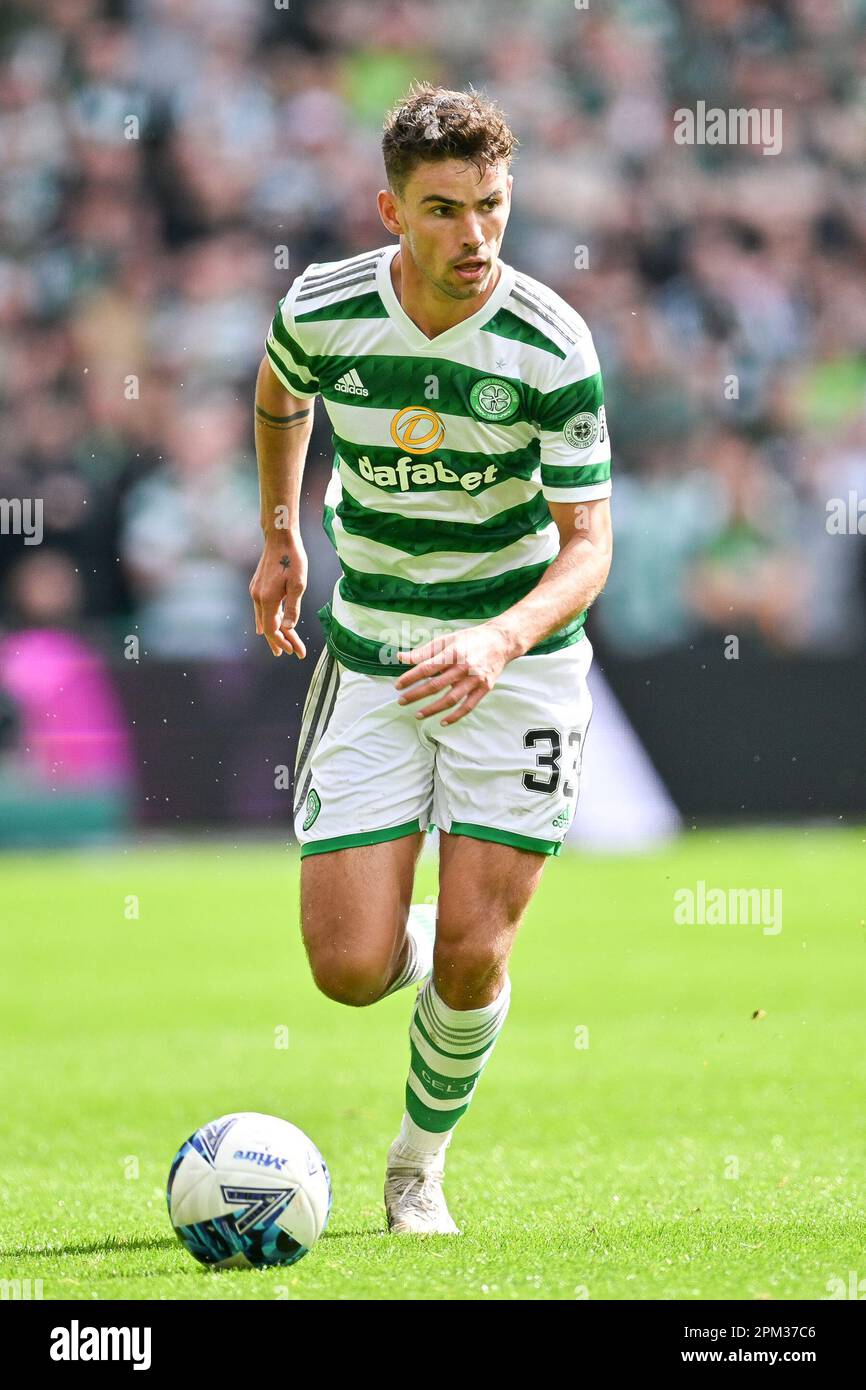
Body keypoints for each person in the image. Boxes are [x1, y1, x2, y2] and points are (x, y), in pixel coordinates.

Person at [249, 84, 613, 1235]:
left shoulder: (550, 344)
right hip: (372, 652)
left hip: (517, 661)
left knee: (468, 954)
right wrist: (278, 538)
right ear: (390, 210)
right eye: (445, 210)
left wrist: (501, 636)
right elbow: (278, 393)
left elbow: (589, 545)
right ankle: (442, 935)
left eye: (491, 206)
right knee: (349, 969)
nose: (474, 236)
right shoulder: (323, 307)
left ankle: (415, 1168)